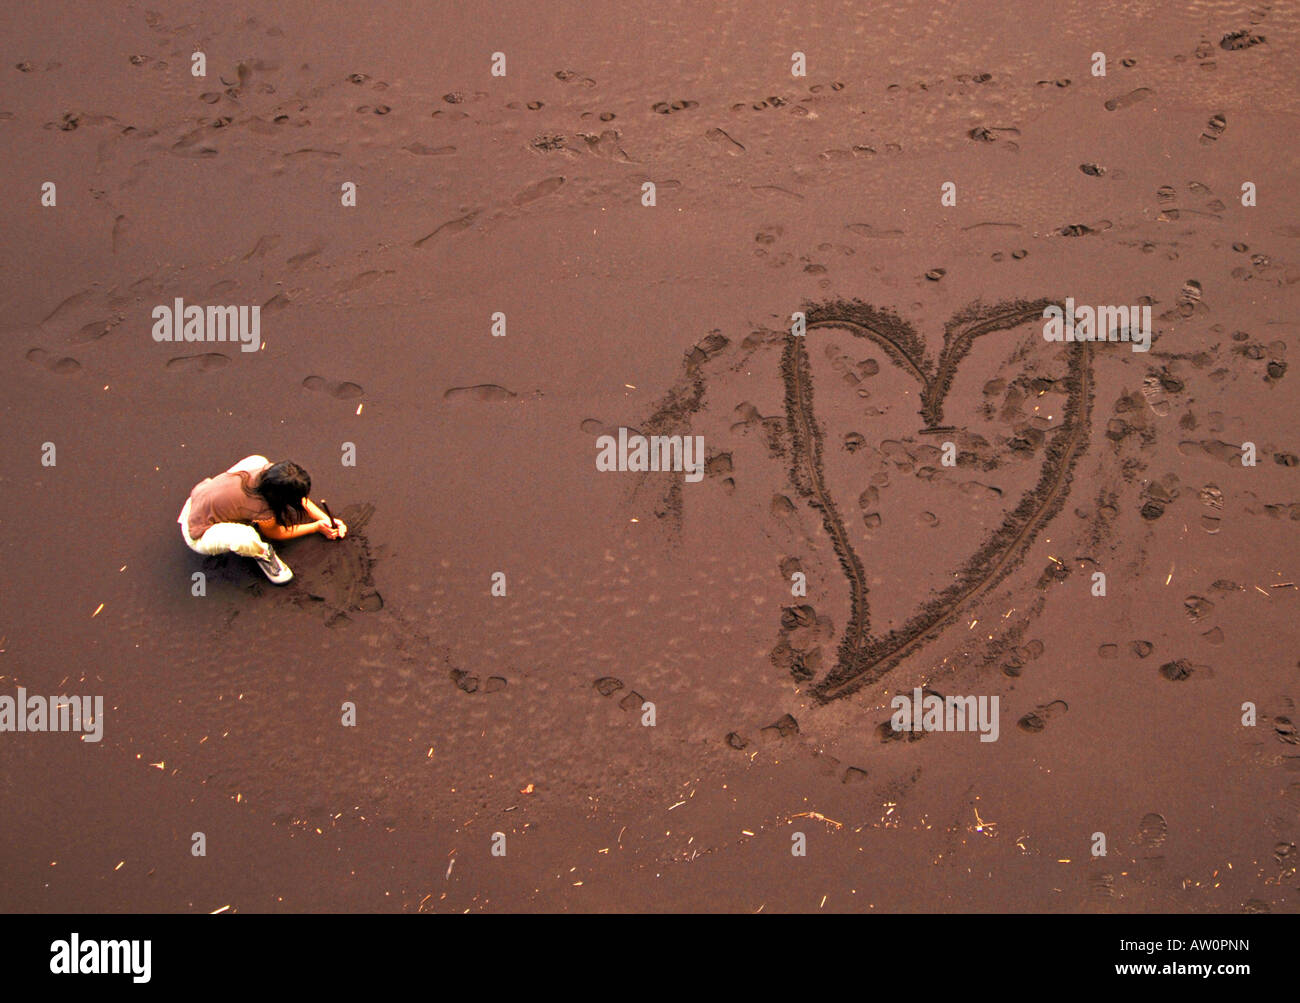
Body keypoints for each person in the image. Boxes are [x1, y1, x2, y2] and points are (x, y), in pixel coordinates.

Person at [177, 455, 347, 583]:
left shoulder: (269, 472)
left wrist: (324, 518)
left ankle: (233, 516)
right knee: (246, 537)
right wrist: (316, 527)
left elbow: (297, 496)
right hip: (199, 532)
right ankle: (263, 555)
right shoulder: (260, 507)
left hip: (199, 498)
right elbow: (276, 532)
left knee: (257, 459)